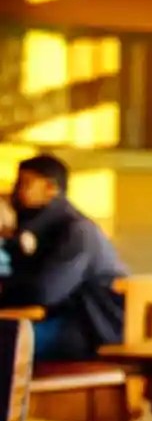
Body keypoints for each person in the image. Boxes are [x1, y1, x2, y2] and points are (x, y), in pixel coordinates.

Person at [0, 154, 127, 360]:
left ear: (51, 189)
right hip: (68, 322)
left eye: (25, 183)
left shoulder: (77, 232)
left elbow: (44, 291)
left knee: (8, 344)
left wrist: (5, 288)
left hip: (91, 330)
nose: (16, 192)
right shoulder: (44, 230)